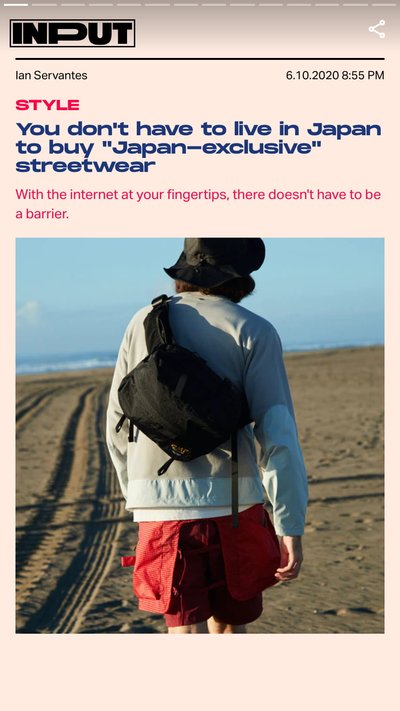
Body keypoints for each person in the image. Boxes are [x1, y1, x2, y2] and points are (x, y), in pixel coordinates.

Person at [106, 238, 308, 634]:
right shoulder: (254, 330)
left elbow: (117, 418)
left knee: (183, 629)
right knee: (230, 627)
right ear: (241, 278)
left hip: (160, 507)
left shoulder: (143, 321)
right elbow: (278, 434)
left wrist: (140, 497)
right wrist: (289, 525)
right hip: (234, 503)